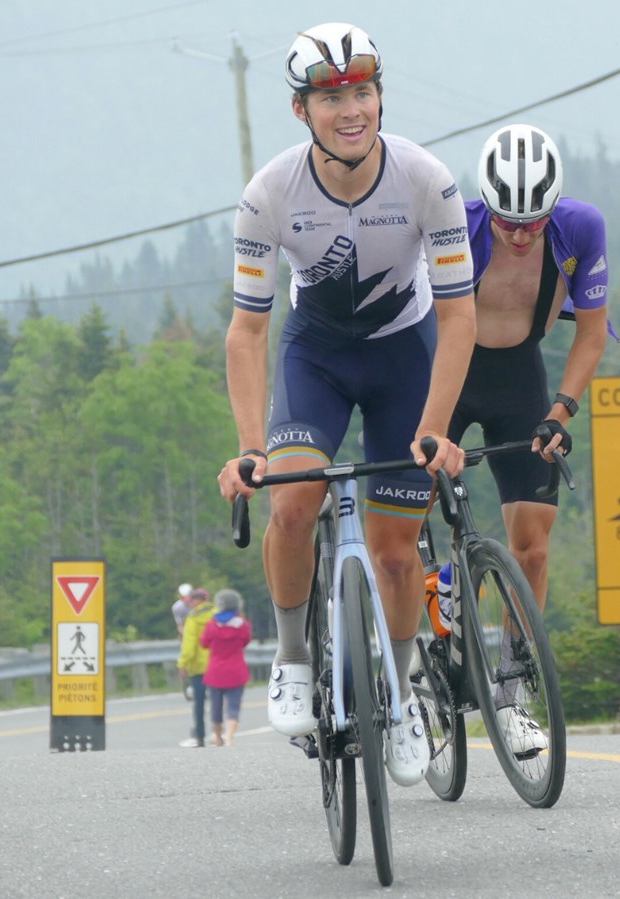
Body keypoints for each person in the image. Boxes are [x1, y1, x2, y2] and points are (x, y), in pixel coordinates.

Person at [215, 22, 472, 788]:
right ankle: (293, 654)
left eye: (363, 93)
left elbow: (458, 316)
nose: (351, 110)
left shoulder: (428, 181)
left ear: (381, 97)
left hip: (404, 355)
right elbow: (248, 331)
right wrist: (250, 446)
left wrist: (435, 429)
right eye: (332, 99)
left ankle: (401, 698)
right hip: (317, 356)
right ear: (302, 110)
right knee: (293, 501)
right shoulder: (269, 194)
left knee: (396, 552)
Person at [451, 123, 610, 755]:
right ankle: (419, 643)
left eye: (533, 223)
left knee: (533, 549)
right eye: (507, 222)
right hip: (446, 373)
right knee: (401, 525)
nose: (520, 235)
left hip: (520, 377)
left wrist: (560, 412)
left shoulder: (581, 229)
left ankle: (512, 693)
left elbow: (591, 333)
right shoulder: (457, 227)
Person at [201, 589, 254, 749]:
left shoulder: (212, 625)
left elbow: (204, 643)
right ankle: (230, 737)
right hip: (236, 671)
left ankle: (218, 737)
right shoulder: (242, 624)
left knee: (215, 707)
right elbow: (246, 641)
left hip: (215, 671)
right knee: (233, 706)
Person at [176, 588, 216, 747]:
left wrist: (182, 664)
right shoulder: (216, 615)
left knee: (198, 703)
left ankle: (200, 735)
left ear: (196, 601)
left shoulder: (193, 618)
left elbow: (190, 645)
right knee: (217, 701)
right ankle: (218, 733)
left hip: (198, 668)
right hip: (215, 665)